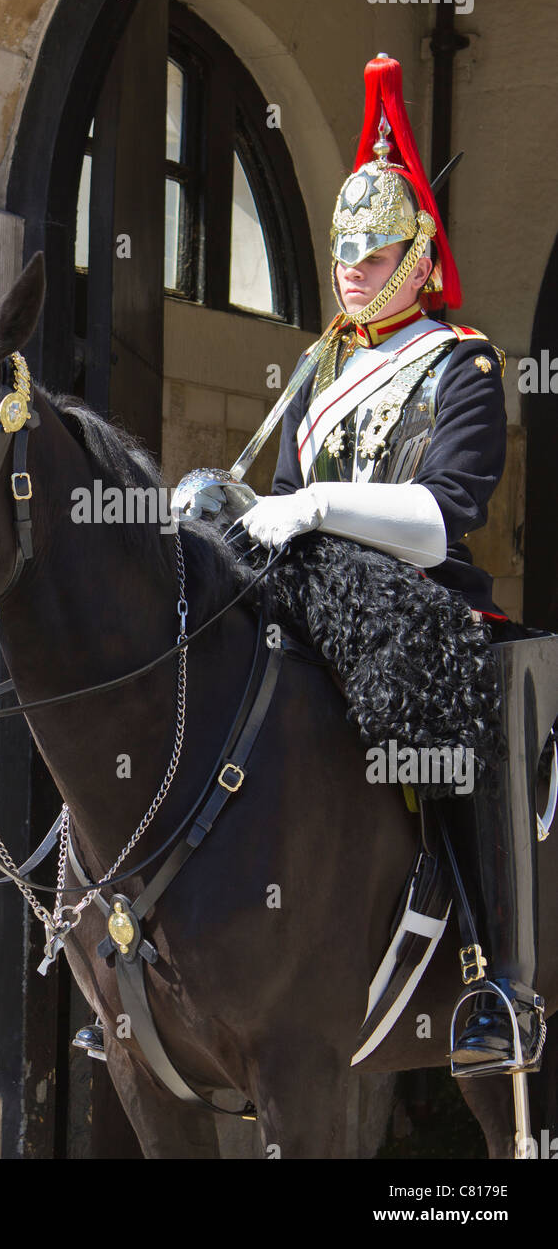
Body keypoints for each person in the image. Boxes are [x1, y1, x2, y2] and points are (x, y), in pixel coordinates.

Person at [225, 53, 545, 1074]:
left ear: (417, 255)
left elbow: (445, 519)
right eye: (341, 248)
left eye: (374, 249)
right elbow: (276, 497)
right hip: (309, 593)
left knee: (446, 718)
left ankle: (492, 971)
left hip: (419, 603)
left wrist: (315, 503)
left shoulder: (462, 361)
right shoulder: (316, 368)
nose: (351, 266)